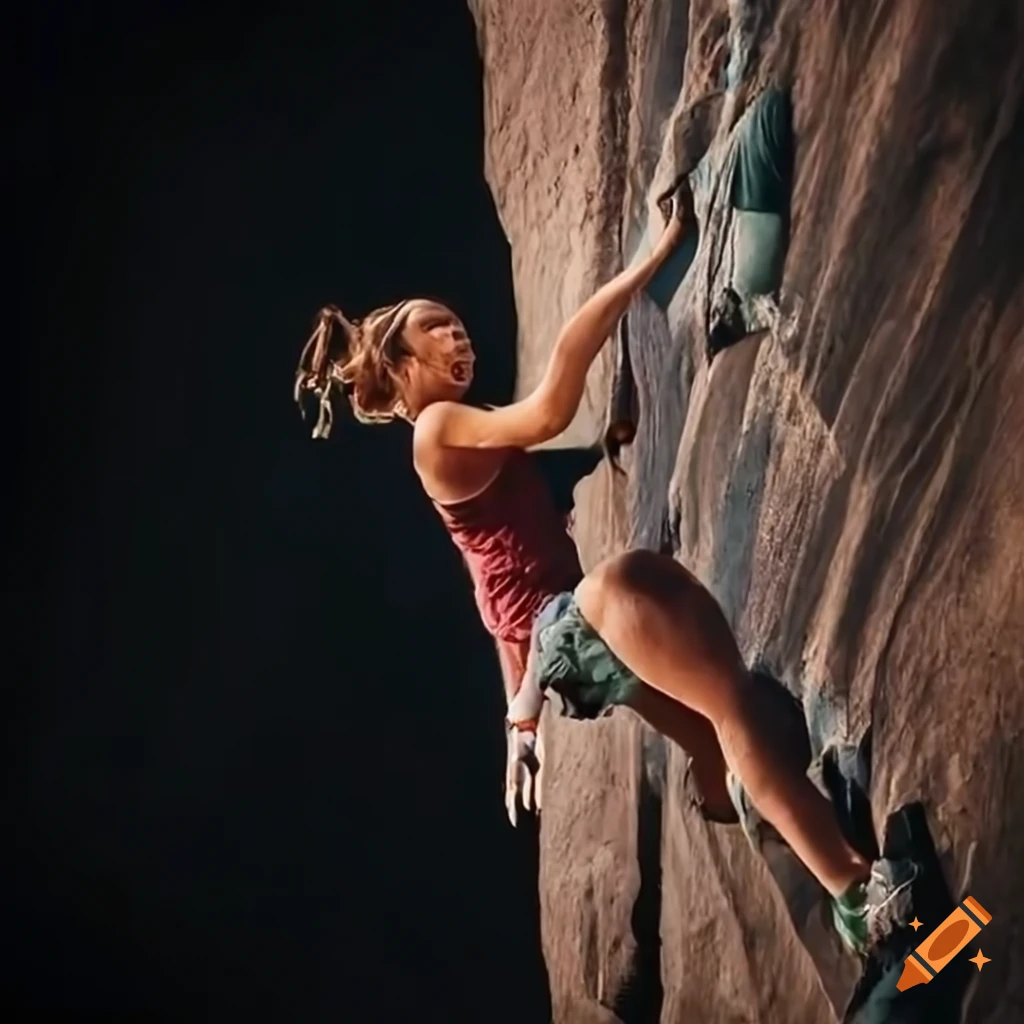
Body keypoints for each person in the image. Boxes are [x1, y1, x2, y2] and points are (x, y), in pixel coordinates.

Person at [294, 185, 696, 826]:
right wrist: (654, 256)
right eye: (436, 328)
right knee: (707, 710)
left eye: (457, 325)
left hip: (550, 624)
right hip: (559, 626)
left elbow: (496, 576)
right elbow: (548, 413)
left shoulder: (466, 425)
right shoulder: (435, 431)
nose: (457, 335)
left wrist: (521, 719)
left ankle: (733, 788)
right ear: (400, 367)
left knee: (696, 714)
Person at [508, 549, 919, 957]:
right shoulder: (632, 679)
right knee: (730, 713)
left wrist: (521, 728)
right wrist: (522, 729)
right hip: (593, 617)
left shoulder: (698, 740)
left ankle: (851, 895)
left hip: (605, 606)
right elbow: (529, 690)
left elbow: (529, 689)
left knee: (732, 715)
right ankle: (851, 894)